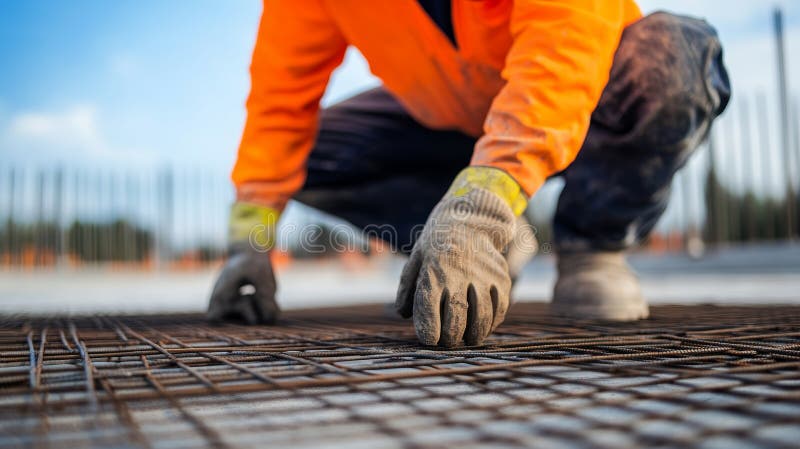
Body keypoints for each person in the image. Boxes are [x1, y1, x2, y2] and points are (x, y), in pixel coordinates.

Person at [208, 0, 730, 347]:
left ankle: (594, 247)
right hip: (453, 118)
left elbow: (562, 48)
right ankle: (486, 244)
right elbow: (279, 105)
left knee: (675, 57)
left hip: (586, 90)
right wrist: (248, 242)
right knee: (312, 154)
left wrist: (484, 201)